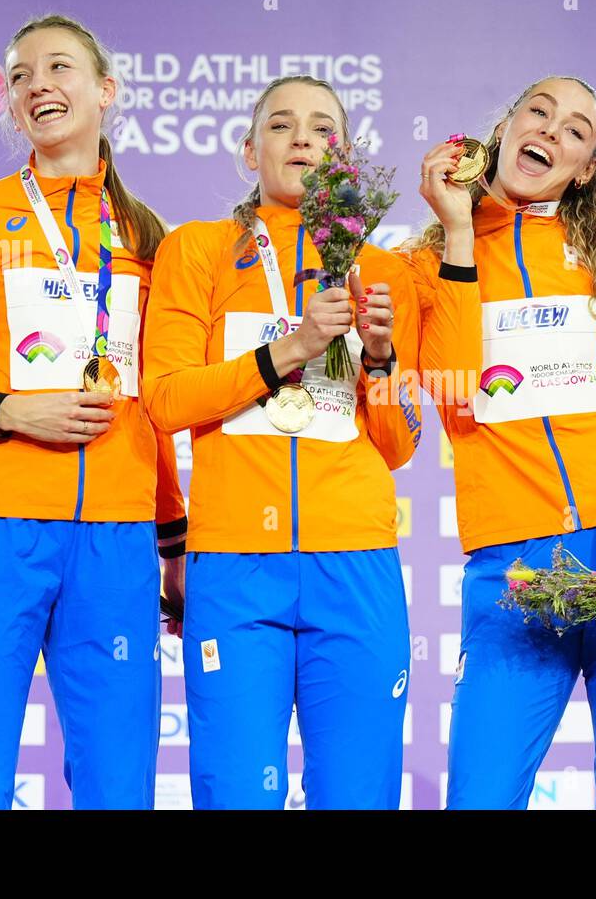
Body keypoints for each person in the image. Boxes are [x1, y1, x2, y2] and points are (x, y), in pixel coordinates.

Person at [0, 15, 186, 810]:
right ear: (12, 105)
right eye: (20, 75)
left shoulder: (147, 236)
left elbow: (152, 403)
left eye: (58, 68)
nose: (37, 84)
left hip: (117, 537)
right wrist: (9, 411)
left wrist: (173, 539)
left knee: (119, 783)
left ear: (105, 91)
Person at [404, 76, 596, 810]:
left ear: (586, 169)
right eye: (538, 112)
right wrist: (460, 235)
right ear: (504, 128)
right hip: (514, 569)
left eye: (575, 130)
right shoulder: (423, 265)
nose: (550, 130)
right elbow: (454, 390)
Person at [142, 75, 421, 810]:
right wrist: (289, 349)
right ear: (248, 150)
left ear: (347, 157)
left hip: (355, 563)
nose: (303, 139)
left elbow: (399, 445)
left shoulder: (381, 271)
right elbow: (166, 399)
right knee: (236, 792)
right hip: (235, 568)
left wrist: (383, 360)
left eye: (324, 129)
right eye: (281, 125)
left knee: (357, 796)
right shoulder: (198, 251)